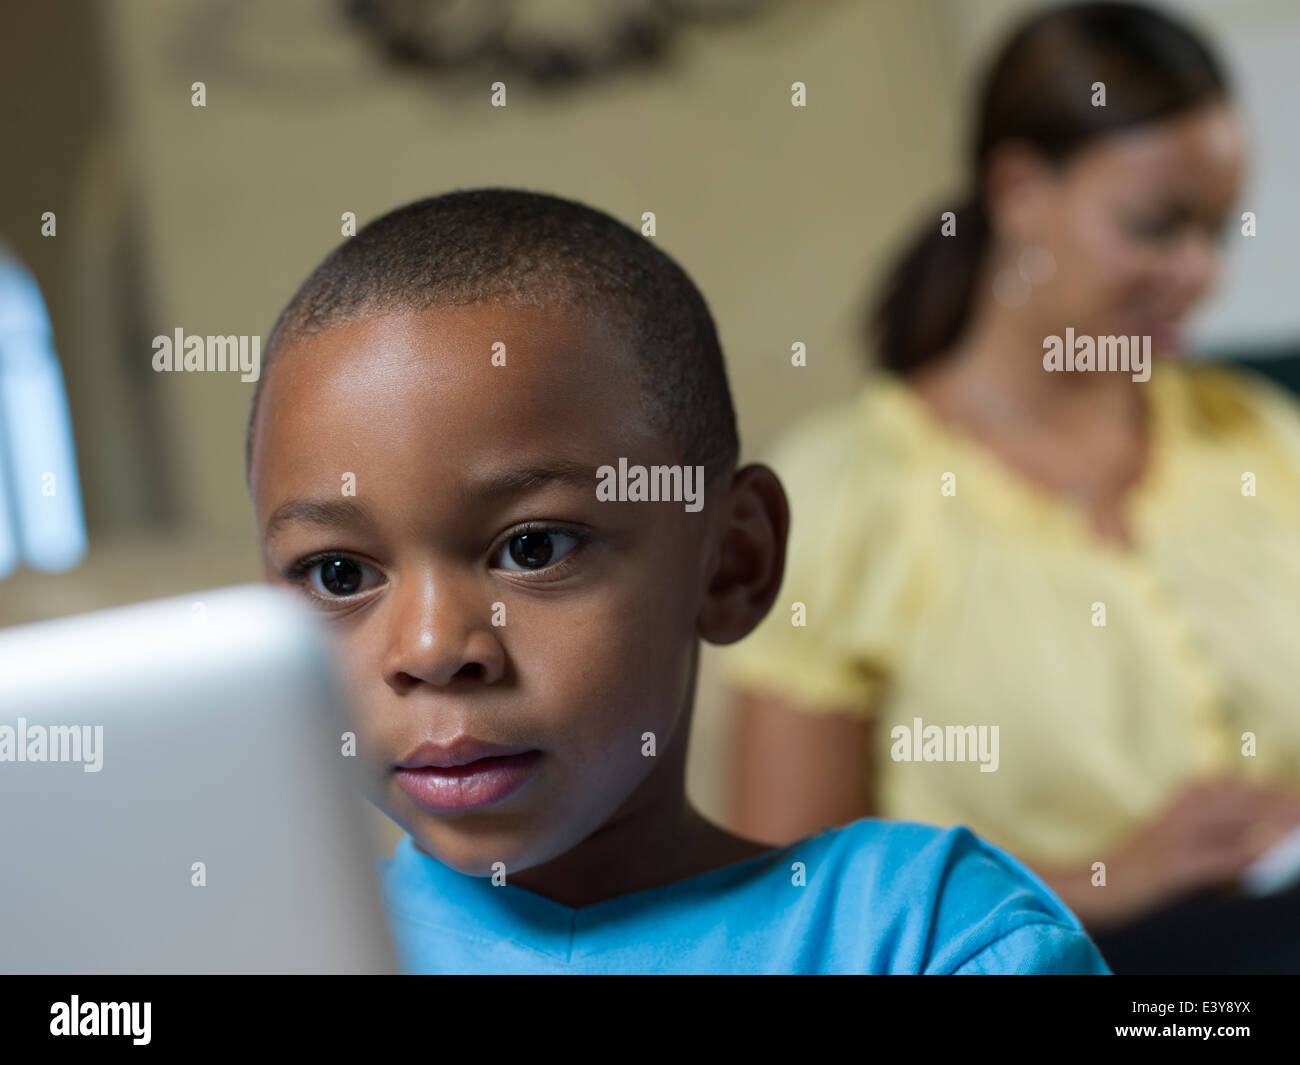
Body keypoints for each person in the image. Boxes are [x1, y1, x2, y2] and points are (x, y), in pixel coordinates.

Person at [243, 188, 1109, 974]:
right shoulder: (254, 949)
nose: (431, 649)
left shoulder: (926, 934)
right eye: (339, 572)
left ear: (734, 560)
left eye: (535, 547)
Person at [723, 1, 1300, 974]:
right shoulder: (846, 499)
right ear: (1021, 189)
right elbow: (796, 907)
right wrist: (1103, 877)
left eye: (1215, 230)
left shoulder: (1260, 437)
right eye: (1156, 227)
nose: (1199, 273)